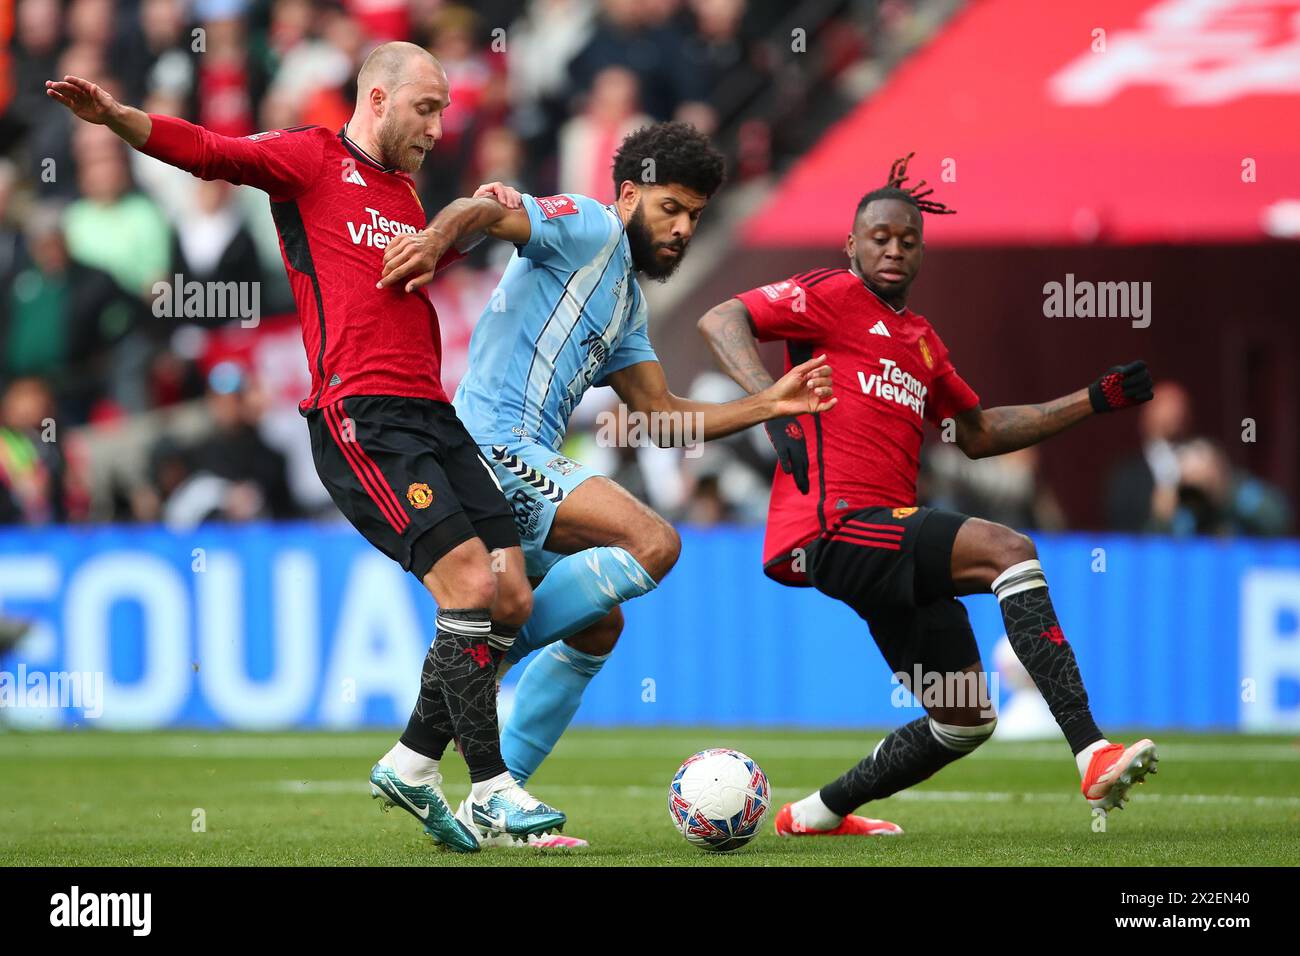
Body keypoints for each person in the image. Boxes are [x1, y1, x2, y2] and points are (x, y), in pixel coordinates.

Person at [46, 41, 565, 854]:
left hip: (432, 412)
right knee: (465, 580)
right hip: (362, 415)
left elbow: (421, 257)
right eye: (426, 108)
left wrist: (475, 218)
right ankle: (493, 789)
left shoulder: (401, 191)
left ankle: (413, 760)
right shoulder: (311, 159)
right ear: (378, 98)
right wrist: (119, 119)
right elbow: (215, 155)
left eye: (443, 112)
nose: (437, 126)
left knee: (510, 592)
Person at [378, 120, 836, 847]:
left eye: (694, 216)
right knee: (651, 541)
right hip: (491, 447)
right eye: (671, 209)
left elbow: (659, 416)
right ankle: (483, 656)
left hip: (515, 462)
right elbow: (485, 210)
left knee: (598, 623)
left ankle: (493, 806)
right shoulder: (588, 227)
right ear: (628, 195)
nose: (683, 229)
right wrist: (436, 241)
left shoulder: (625, 301)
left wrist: (770, 403)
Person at [696, 153, 1159, 839]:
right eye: (879, 236)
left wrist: (1093, 400)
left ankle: (817, 813)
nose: (893, 247)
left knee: (964, 715)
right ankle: (1092, 750)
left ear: (920, 251)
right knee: (1009, 551)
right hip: (839, 526)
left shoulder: (922, 343)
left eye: (907, 239)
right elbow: (720, 317)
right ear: (851, 244)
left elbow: (979, 431)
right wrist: (769, 403)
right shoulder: (827, 294)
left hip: (883, 546)